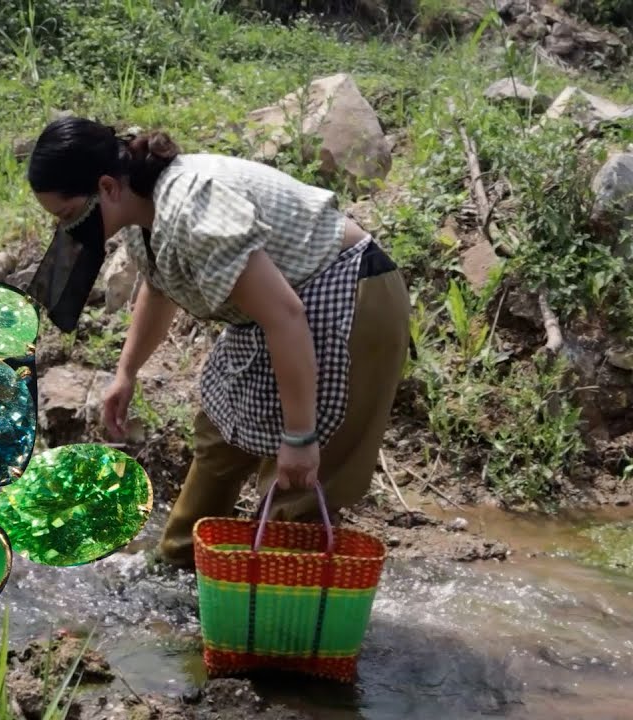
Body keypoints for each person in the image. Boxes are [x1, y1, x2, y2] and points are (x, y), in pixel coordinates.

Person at [24, 116, 410, 569]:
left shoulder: (193, 210)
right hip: (276, 312)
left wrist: (300, 435)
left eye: (68, 215)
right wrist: (126, 372)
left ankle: (275, 589)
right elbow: (159, 287)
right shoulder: (141, 210)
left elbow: (285, 317)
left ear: (107, 187)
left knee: (299, 482)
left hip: (348, 297)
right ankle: (178, 564)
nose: (68, 230)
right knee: (220, 434)